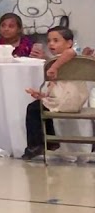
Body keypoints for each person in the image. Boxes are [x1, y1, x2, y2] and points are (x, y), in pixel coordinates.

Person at [22, 26, 91, 160]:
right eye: (49, 41)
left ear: (69, 43)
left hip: (69, 100)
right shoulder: (58, 60)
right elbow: (58, 89)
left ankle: (36, 145)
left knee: (34, 109)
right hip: (68, 99)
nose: (51, 44)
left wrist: (53, 66)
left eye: (56, 40)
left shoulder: (69, 57)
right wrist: (41, 95)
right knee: (38, 106)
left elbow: (70, 53)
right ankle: (50, 143)